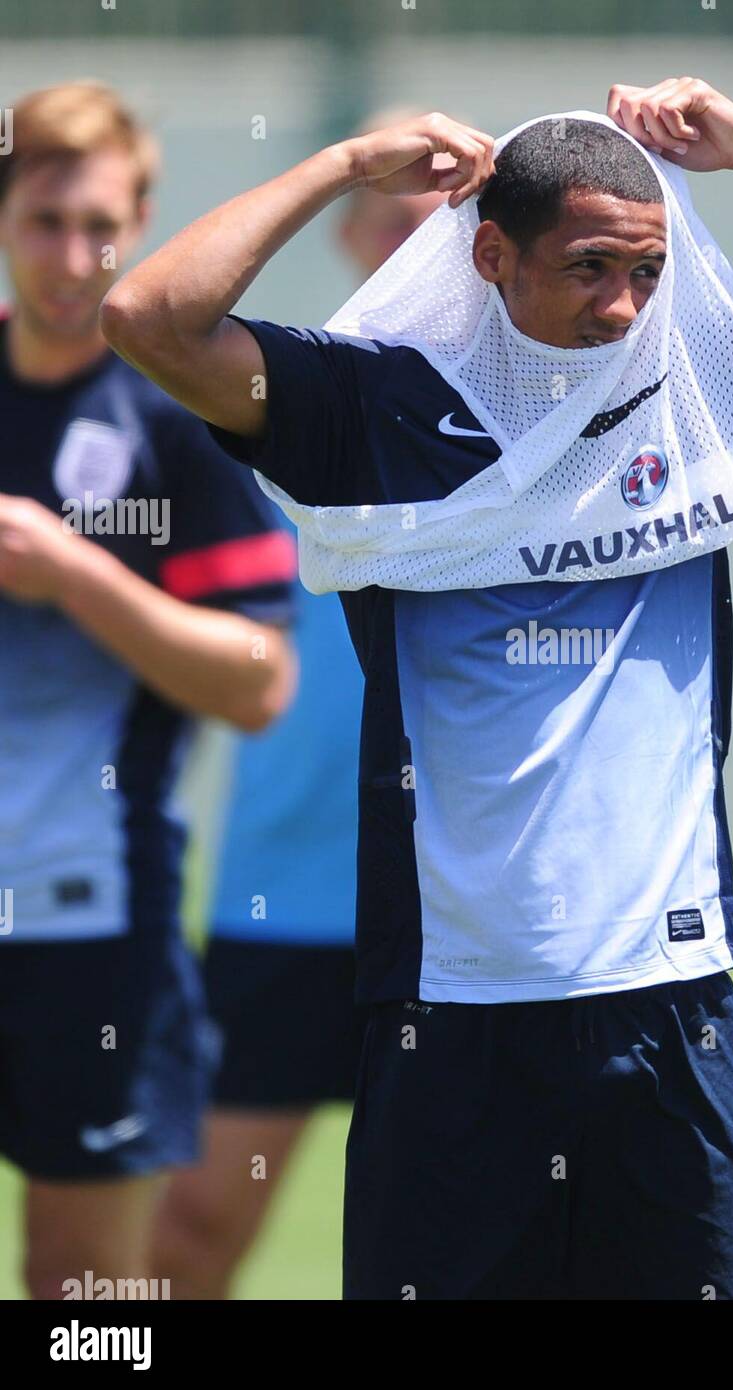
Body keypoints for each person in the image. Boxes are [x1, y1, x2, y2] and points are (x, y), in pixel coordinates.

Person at [101, 77, 733, 1299]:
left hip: (671, 1008)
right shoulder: (374, 408)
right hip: (449, 1018)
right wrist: (344, 163)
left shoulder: (707, 385)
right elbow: (151, 316)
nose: (624, 304)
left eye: (645, 269)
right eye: (588, 267)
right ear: (488, 254)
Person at [0, 81, 297, 1300]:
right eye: (45, 222)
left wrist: (75, 575)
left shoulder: (174, 424)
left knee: (84, 1294)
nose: (75, 258)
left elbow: (260, 679)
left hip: (88, 925)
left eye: (100, 226)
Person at [152, 105, 453, 1300]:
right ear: (348, 237)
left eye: (441, 224)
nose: (411, 245)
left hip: (457, 917)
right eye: (388, 220)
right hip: (281, 899)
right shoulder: (273, 395)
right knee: (186, 1240)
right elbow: (164, 321)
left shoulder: (528, 413)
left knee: (458, 1251)